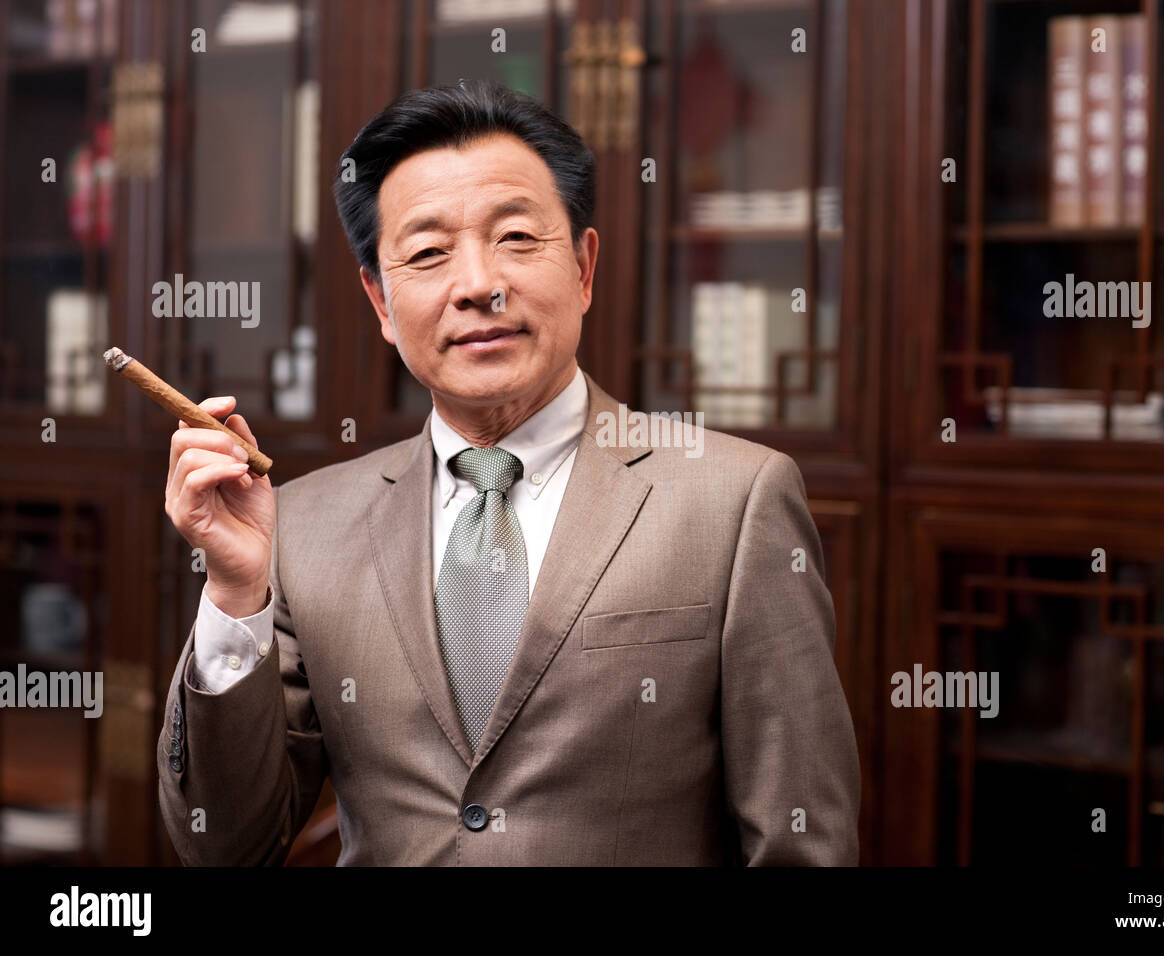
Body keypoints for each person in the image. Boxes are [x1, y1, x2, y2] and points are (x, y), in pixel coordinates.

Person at [158, 80, 859, 865]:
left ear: (585, 269)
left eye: (518, 238)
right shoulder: (304, 524)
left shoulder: (734, 500)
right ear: (382, 303)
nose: (479, 285)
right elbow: (223, 846)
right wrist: (233, 594)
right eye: (427, 253)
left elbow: (803, 844)